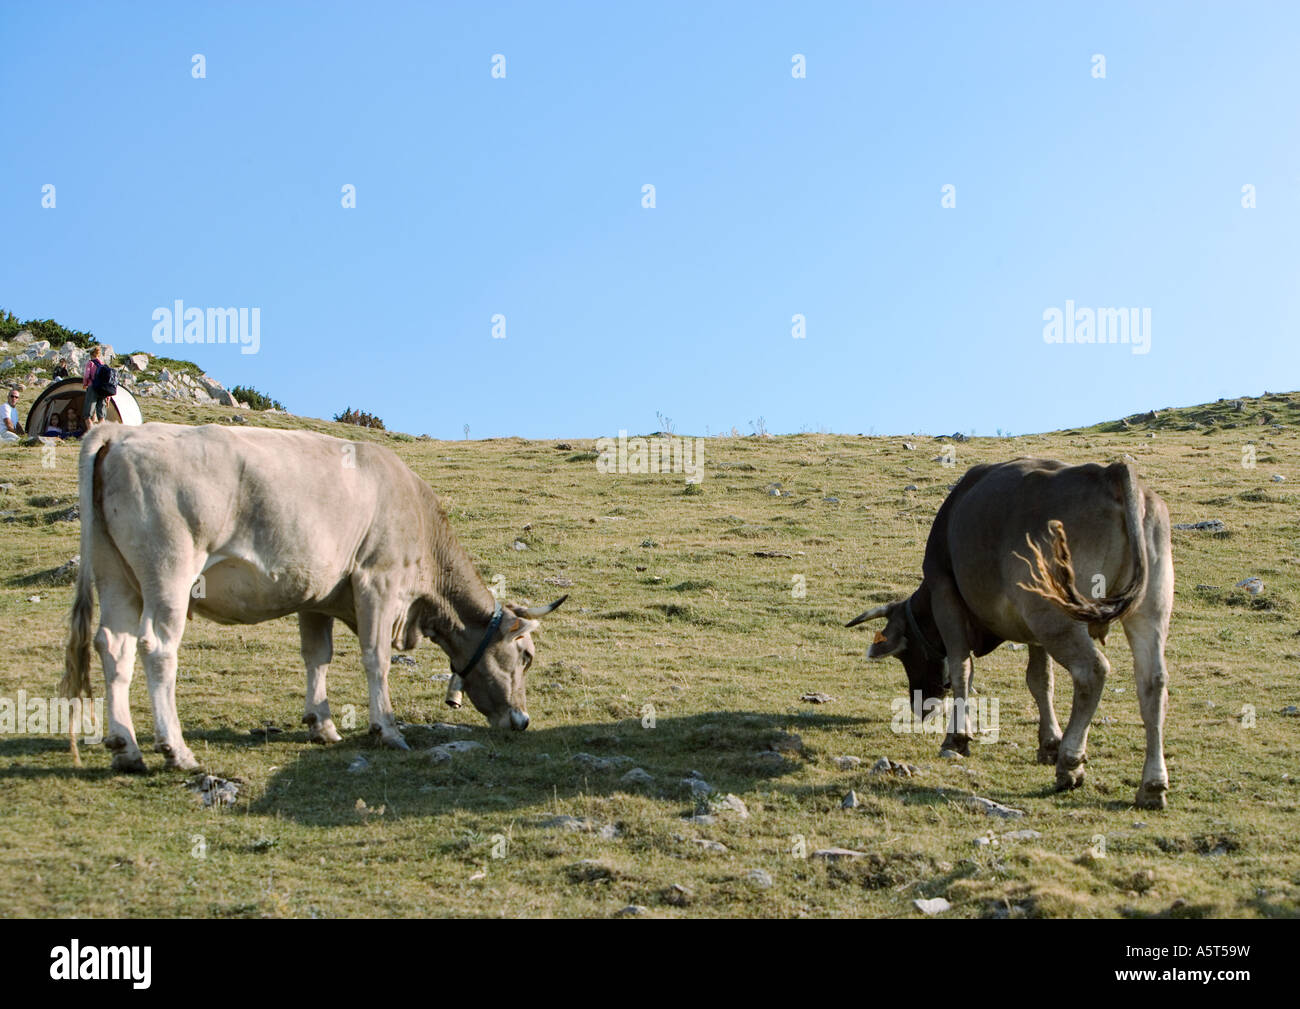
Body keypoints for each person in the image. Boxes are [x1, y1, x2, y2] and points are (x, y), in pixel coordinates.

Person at [82, 346, 107, 428]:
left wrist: (85, 384)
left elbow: (86, 375)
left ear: (91, 354)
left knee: (87, 415)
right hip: (102, 389)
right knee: (101, 415)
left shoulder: (90, 363)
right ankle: (101, 435)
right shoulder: (103, 365)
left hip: (92, 387)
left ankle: (91, 434)